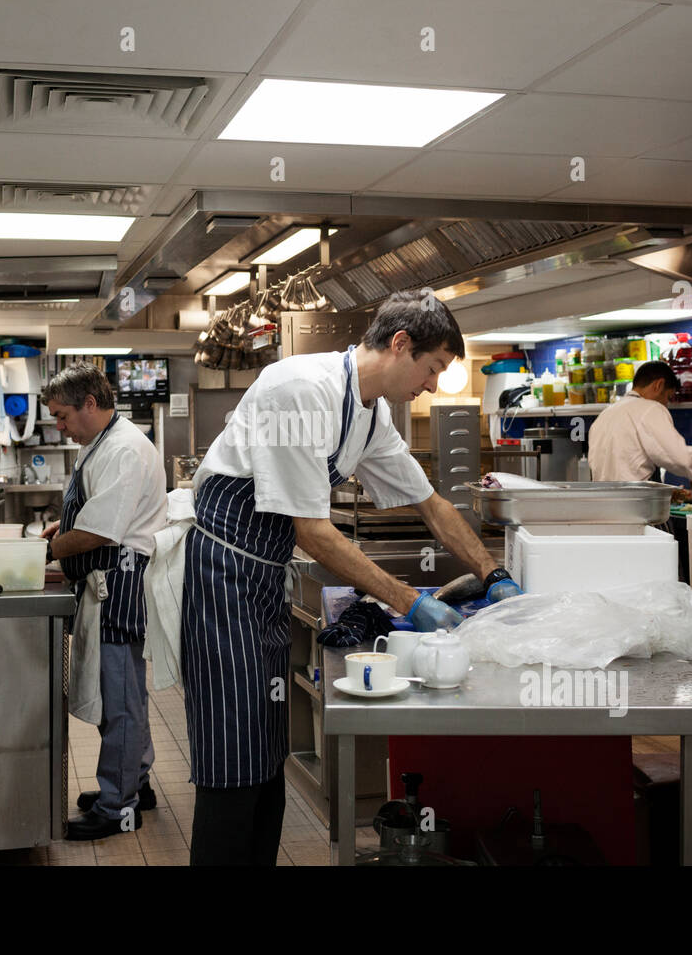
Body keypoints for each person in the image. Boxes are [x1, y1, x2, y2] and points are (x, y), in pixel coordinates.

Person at [181, 288, 522, 865]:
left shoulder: (368, 413)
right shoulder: (299, 390)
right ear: (400, 344)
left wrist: (494, 575)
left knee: (266, 754)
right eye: (433, 369)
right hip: (223, 579)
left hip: (263, 581)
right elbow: (312, 532)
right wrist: (410, 601)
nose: (434, 386)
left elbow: (430, 503)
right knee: (230, 758)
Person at [41, 363, 168, 840]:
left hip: (120, 584)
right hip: (109, 580)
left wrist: (52, 549)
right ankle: (135, 783)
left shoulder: (123, 448)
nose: (59, 425)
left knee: (120, 699)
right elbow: (96, 511)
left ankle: (118, 806)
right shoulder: (103, 442)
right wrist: (63, 528)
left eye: (61, 416)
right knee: (125, 692)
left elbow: (101, 530)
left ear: (89, 405)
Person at [587, 360, 692, 498]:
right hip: (634, 511)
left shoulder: (605, 415)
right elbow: (680, 458)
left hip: (601, 507)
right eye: (668, 397)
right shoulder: (650, 408)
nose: (666, 404)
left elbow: (623, 469)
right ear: (659, 385)